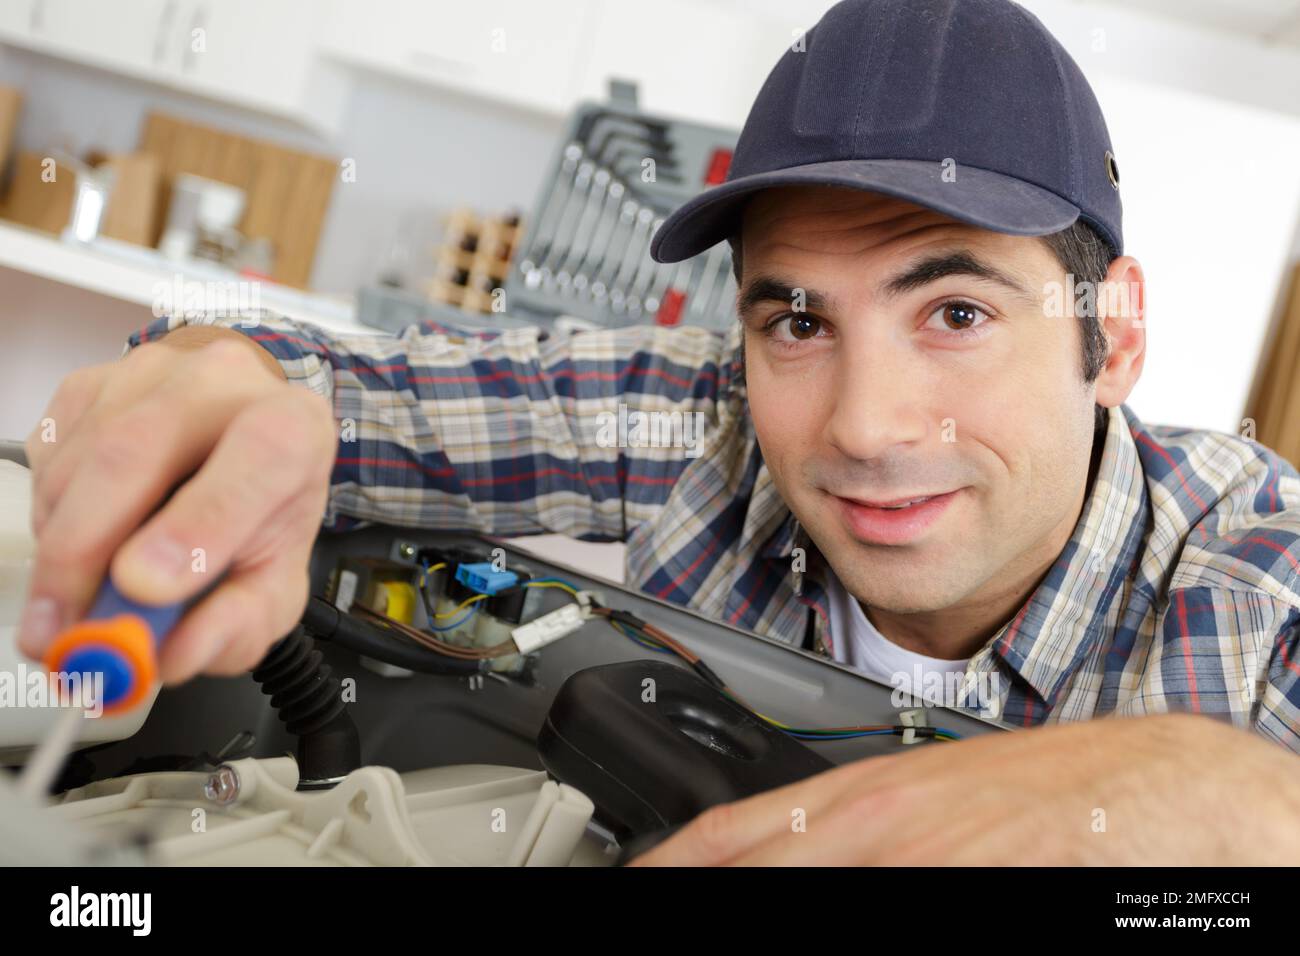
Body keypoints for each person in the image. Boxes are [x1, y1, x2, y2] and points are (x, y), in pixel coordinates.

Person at [19, 0, 1300, 863]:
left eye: (954, 310)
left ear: (1112, 333)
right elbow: (318, 386)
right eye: (795, 321)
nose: (860, 425)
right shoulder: (701, 412)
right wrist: (206, 384)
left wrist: (1226, 791)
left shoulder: (1256, 586)